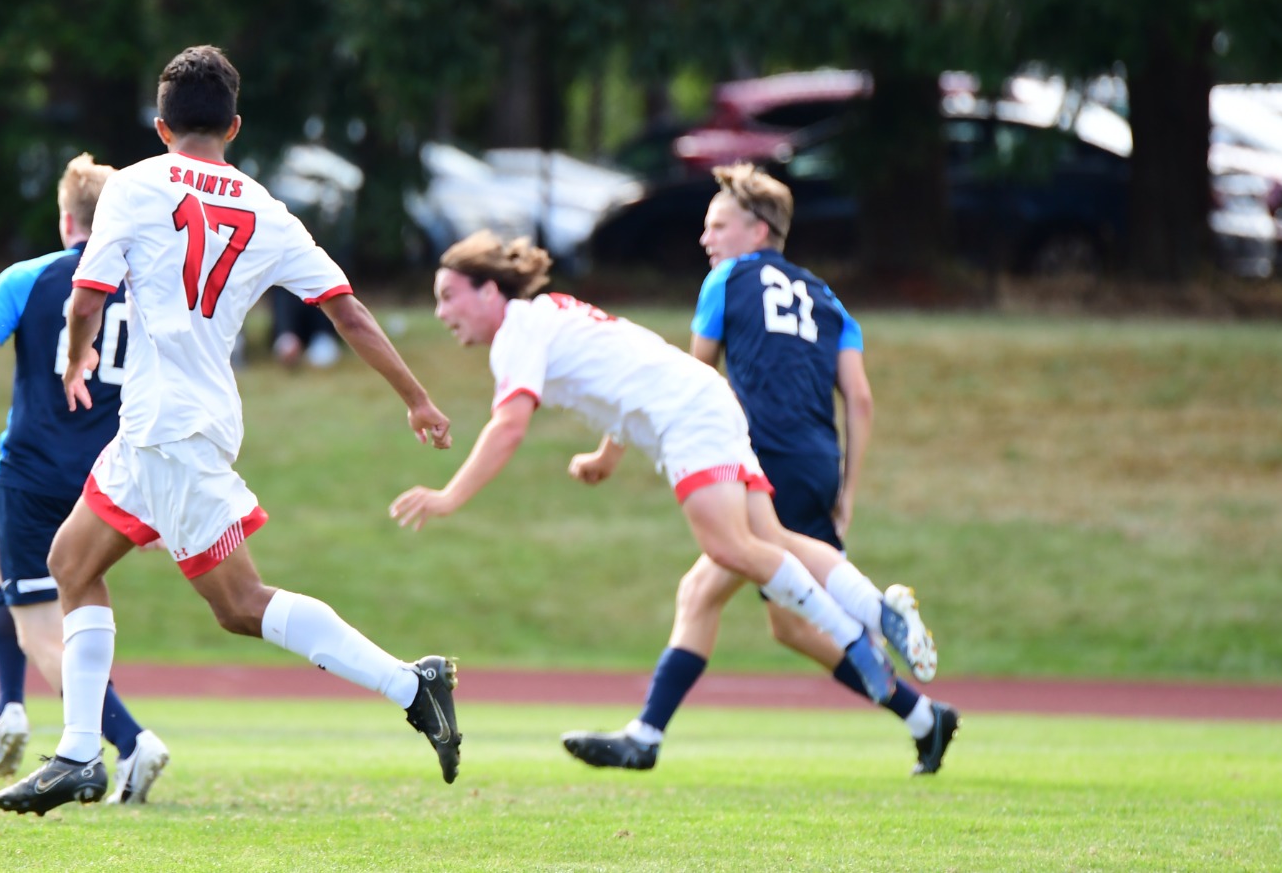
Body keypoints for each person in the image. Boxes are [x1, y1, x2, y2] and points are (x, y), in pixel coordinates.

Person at [0, 45, 463, 816]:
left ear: (160, 124)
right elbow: (346, 309)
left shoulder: (135, 184)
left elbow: (86, 297)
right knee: (72, 562)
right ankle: (79, 753)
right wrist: (416, 397)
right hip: (171, 428)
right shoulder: (266, 207)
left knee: (240, 604)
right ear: (234, 125)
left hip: (166, 432)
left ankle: (413, 685)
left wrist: (74, 361)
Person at [391, 231, 937, 772]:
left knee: (729, 546)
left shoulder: (516, 331)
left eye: (448, 296)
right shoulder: (547, 313)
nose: (441, 312)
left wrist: (448, 496)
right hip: (705, 397)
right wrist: (608, 453)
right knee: (773, 539)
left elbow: (508, 427)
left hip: (686, 416)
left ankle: (855, 642)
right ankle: (877, 609)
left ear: (489, 292)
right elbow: (629, 369)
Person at [0, 154, 169, 802]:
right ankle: (8, 707)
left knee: (46, 626)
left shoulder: (30, 276)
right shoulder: (152, 287)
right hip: (111, 480)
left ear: (66, 217)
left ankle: (131, 743)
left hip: (37, 477)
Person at [673, 162, 959, 774]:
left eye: (717, 225)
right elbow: (859, 398)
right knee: (790, 624)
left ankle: (878, 617)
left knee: (706, 590)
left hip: (760, 458)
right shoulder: (830, 300)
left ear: (756, 230)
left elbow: (694, 378)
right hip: (818, 461)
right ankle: (924, 717)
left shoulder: (725, 280)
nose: (707, 239)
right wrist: (849, 490)